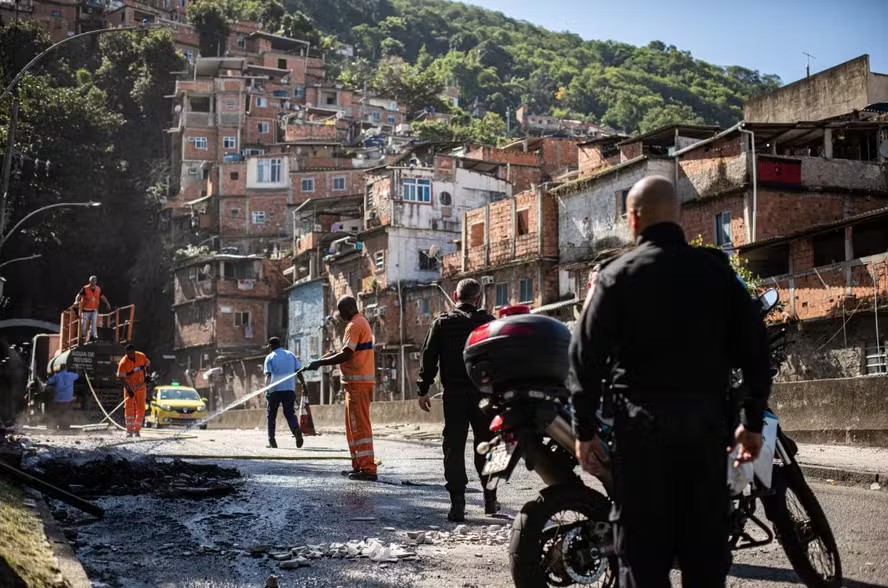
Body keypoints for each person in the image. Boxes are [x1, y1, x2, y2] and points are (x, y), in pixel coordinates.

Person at [569, 175, 771, 587]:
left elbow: (584, 358)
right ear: (678, 215)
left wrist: (584, 431)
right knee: (705, 558)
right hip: (705, 430)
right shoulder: (716, 272)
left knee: (642, 560)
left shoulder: (616, 276)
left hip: (641, 434)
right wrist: (751, 423)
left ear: (633, 218)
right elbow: (756, 351)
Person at [416, 278, 497, 521]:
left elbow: (429, 357)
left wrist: (423, 389)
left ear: (455, 296)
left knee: (453, 446)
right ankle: (490, 499)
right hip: (484, 395)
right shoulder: (488, 323)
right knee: (486, 444)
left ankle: (458, 504)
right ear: (478, 298)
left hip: (454, 395)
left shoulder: (442, 323)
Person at [303, 296, 377, 482]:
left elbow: (347, 354)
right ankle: (359, 465)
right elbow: (348, 352)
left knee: (359, 427)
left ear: (349, 309)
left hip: (357, 384)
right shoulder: (361, 322)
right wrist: (328, 357)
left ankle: (368, 469)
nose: (341, 316)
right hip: (355, 384)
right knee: (353, 428)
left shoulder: (354, 325)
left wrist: (320, 363)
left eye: (342, 311)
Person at [263, 336, 306, 449]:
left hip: (274, 390)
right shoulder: (290, 355)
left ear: (271, 346)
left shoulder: (270, 357)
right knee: (289, 413)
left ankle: (272, 440)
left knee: (271, 415)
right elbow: (298, 371)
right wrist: (303, 384)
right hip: (289, 389)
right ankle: (296, 430)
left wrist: (266, 390)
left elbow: (268, 375)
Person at [117, 344, 151, 438]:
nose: (130, 355)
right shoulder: (123, 363)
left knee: (141, 408)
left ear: (134, 352)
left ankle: (137, 430)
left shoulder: (141, 356)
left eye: (132, 353)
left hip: (141, 387)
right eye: (128, 354)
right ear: (126, 353)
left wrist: (148, 375)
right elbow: (122, 378)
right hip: (129, 387)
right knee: (129, 409)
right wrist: (129, 390)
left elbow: (148, 365)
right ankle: (129, 431)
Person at [74, 276, 111, 344]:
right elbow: (78, 295)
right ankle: (83, 336)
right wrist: (76, 301)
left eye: (94, 281)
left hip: (94, 310)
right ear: (89, 281)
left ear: (96, 281)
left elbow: (102, 297)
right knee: (84, 323)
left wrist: (107, 303)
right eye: (92, 281)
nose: (93, 282)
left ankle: (91, 337)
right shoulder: (85, 288)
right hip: (85, 310)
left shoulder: (98, 289)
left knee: (94, 324)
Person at [45, 365, 79, 431]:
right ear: (66, 368)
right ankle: (65, 427)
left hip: (58, 398)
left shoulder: (56, 376)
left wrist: (52, 374)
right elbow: (77, 376)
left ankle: (53, 426)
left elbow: (49, 381)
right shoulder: (71, 375)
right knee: (66, 413)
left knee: (56, 413)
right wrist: (77, 369)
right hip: (68, 399)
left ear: (60, 369)